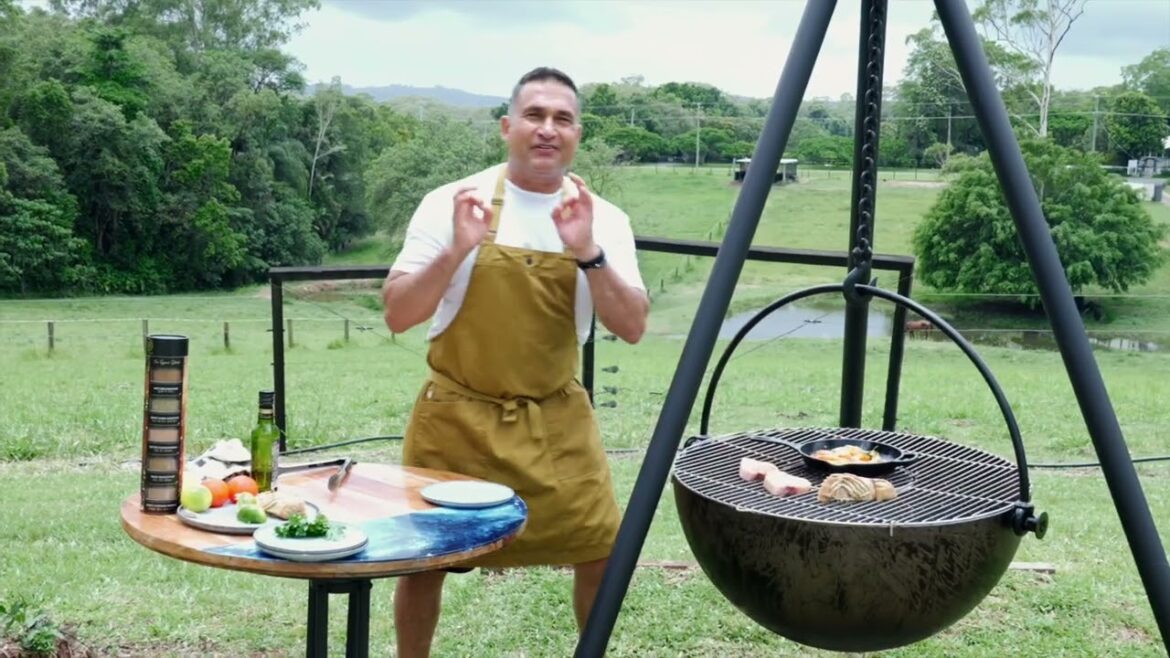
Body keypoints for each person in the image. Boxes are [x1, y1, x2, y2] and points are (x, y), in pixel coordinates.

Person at [381, 66, 649, 657]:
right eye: (534, 115)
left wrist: (588, 252)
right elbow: (398, 314)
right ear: (507, 126)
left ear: (578, 134)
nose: (547, 129)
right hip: (455, 418)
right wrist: (457, 248)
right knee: (422, 561)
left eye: (562, 118)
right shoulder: (453, 204)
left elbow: (631, 326)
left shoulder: (604, 219)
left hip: (555, 420)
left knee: (601, 547)